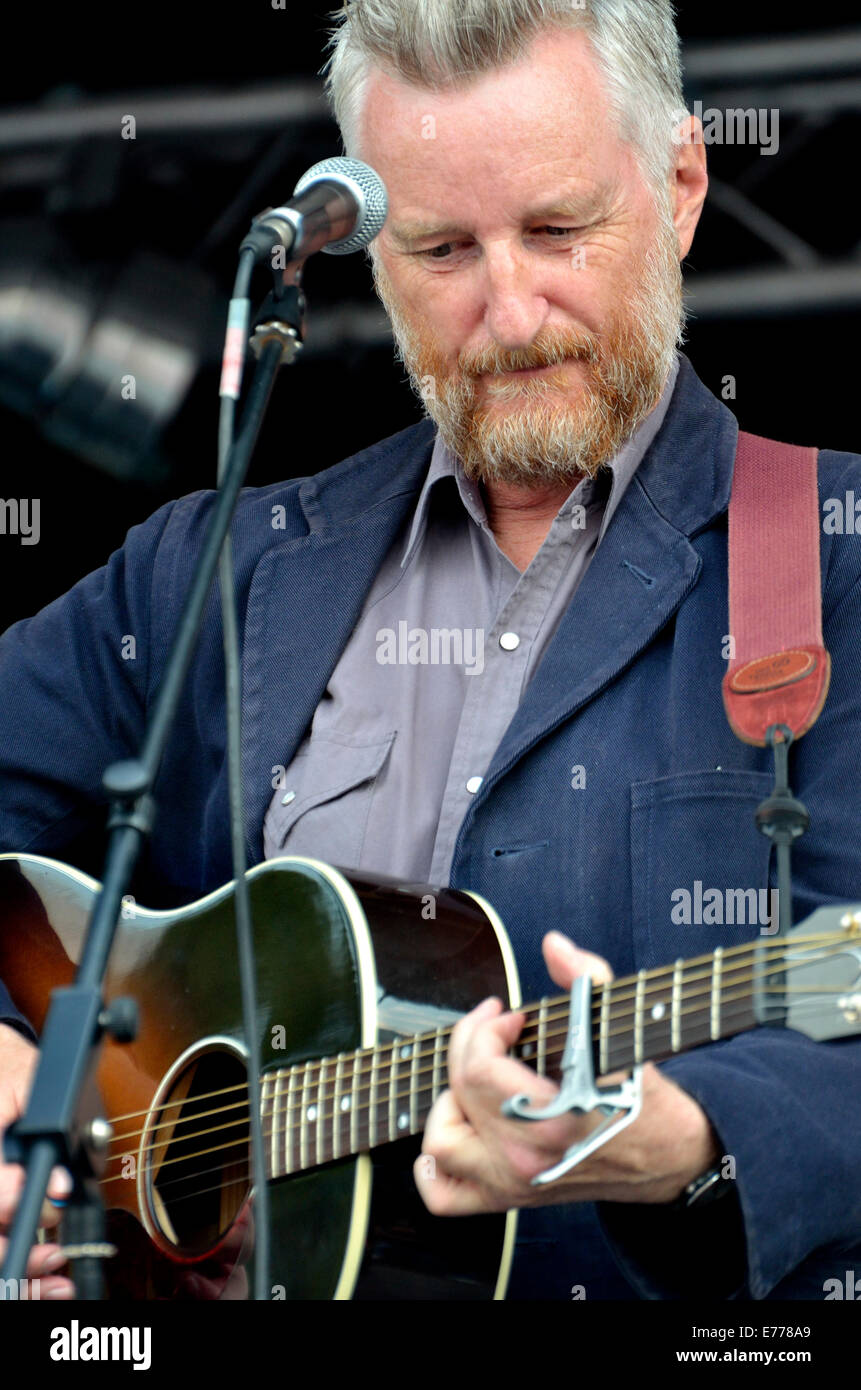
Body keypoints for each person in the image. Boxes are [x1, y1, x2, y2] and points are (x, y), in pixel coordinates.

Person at [1, 0, 859, 1300]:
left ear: (681, 183)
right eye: (443, 247)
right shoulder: (207, 570)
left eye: (558, 230)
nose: (508, 313)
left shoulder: (835, 558)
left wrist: (680, 1136)